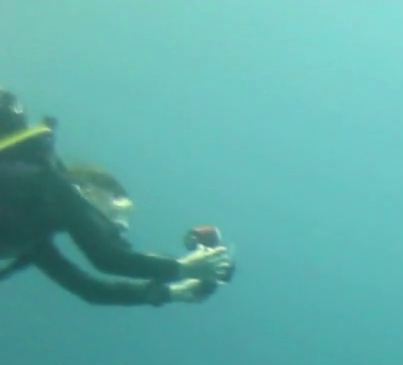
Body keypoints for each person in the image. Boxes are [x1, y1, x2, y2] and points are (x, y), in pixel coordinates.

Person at [0, 86, 234, 307]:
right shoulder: (51, 186)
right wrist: (182, 269)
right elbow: (108, 259)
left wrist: (173, 292)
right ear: (89, 190)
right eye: (117, 212)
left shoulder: (31, 230)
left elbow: (90, 290)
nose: (120, 227)